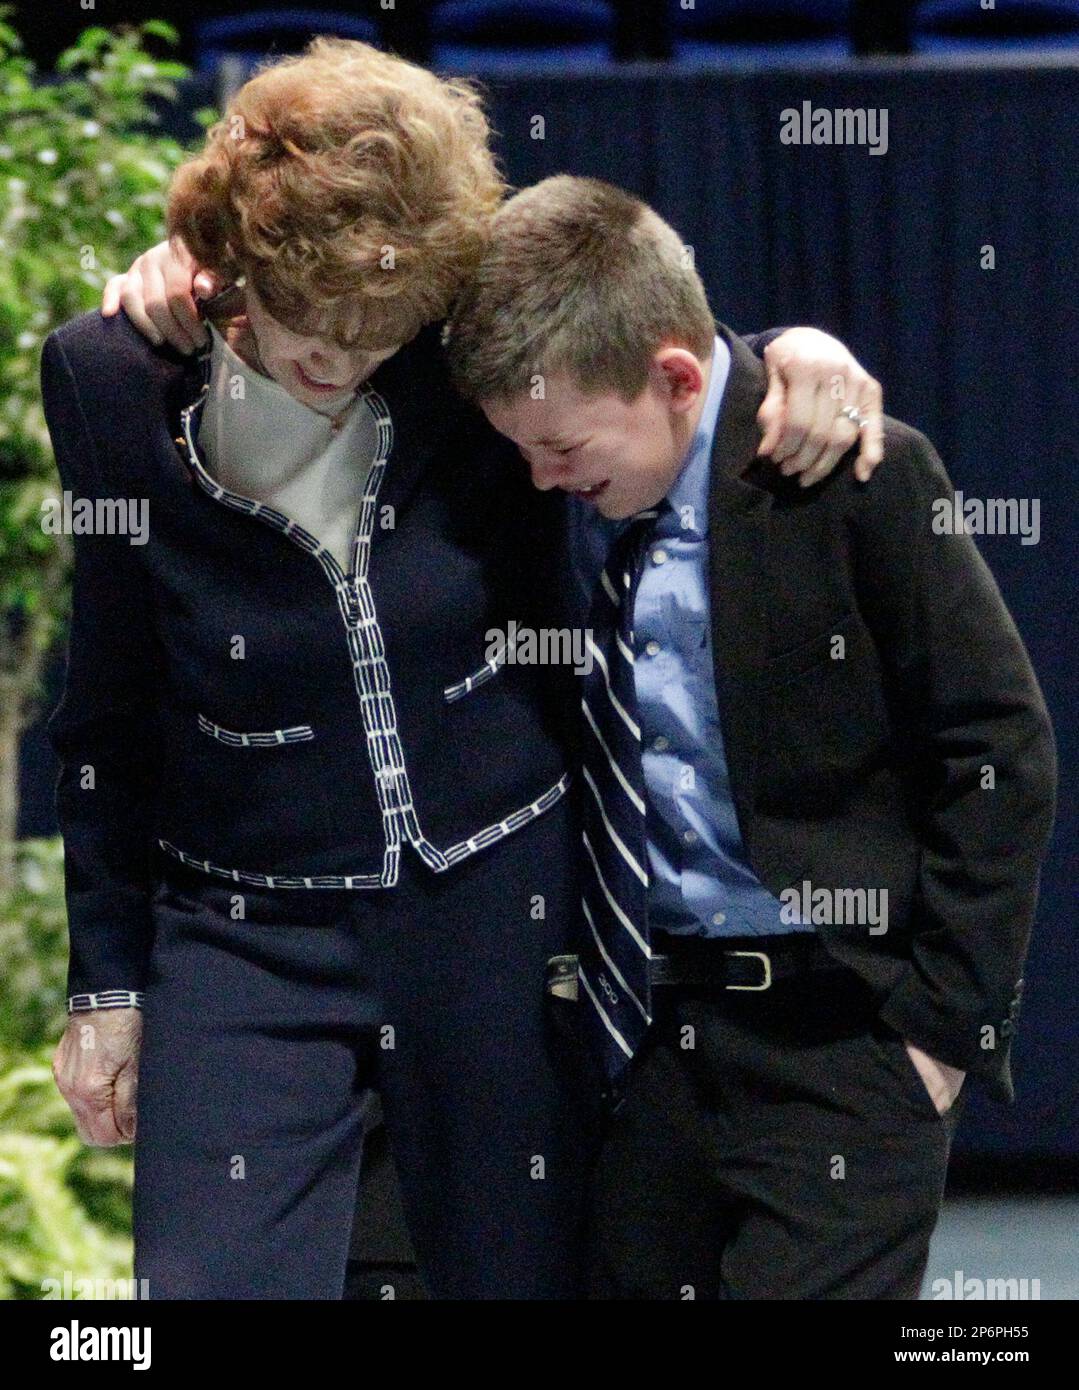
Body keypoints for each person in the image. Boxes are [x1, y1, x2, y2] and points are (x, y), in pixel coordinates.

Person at [46, 42, 885, 1300]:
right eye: (306, 325)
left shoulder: (448, 328)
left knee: (526, 1277)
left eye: (378, 332)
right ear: (233, 262)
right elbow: (104, 707)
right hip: (243, 922)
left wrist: (791, 353)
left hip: (499, 899)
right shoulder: (112, 377)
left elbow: (639, 360)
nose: (339, 357)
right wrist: (104, 983)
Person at [442, 175, 1058, 1299]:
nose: (539, 476)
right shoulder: (570, 484)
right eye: (523, 448)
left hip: (841, 1039)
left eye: (561, 446)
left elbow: (996, 748)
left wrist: (938, 1032)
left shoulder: (848, 477)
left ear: (675, 380)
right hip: (646, 1039)